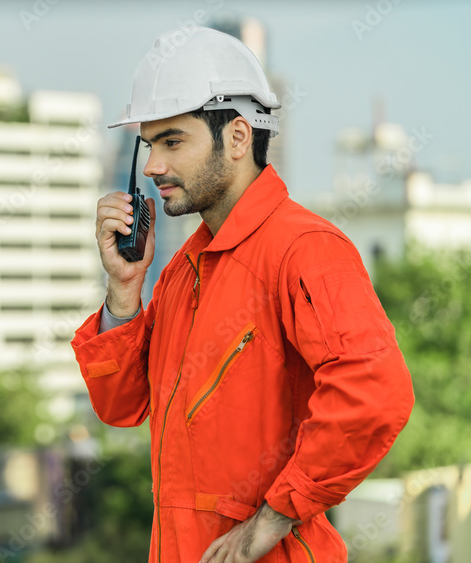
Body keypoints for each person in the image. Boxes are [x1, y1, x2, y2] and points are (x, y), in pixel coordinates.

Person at [72, 26, 414, 562]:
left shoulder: (305, 250)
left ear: (236, 137)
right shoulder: (185, 271)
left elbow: (375, 394)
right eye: (149, 144)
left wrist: (272, 519)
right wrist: (123, 291)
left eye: (172, 141)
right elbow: (123, 406)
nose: (153, 166)